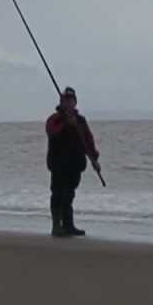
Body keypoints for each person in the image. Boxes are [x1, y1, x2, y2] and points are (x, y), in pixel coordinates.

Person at [45, 86, 100, 237]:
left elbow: (88, 141)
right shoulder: (54, 119)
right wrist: (65, 123)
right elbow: (51, 132)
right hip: (58, 165)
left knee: (69, 195)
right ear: (61, 102)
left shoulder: (81, 120)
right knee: (57, 194)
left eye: (71, 100)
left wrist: (94, 159)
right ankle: (56, 226)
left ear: (75, 102)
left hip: (75, 164)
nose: (69, 103)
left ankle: (69, 225)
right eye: (66, 100)